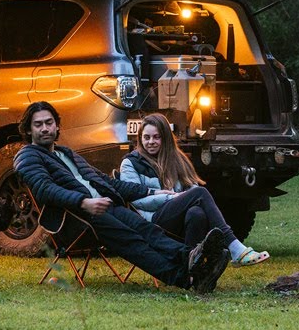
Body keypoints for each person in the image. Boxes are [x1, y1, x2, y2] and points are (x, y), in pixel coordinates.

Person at [13, 101, 229, 293]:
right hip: (75, 217)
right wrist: (84, 202)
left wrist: (151, 192)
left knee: (147, 229)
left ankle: (192, 260)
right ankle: (187, 276)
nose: (44, 128)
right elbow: (45, 189)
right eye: (38, 124)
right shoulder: (27, 156)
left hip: (105, 206)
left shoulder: (67, 154)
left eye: (48, 122)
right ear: (29, 130)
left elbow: (107, 182)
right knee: (131, 240)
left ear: (57, 125)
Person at [119, 114, 270, 266]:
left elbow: (191, 186)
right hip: (150, 220)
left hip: (175, 216)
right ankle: (234, 246)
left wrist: (183, 198)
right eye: (146, 137)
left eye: (156, 137)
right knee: (199, 193)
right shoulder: (131, 163)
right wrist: (175, 198)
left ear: (165, 138)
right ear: (140, 138)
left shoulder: (176, 159)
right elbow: (137, 201)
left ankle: (190, 268)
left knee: (196, 213)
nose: (151, 142)